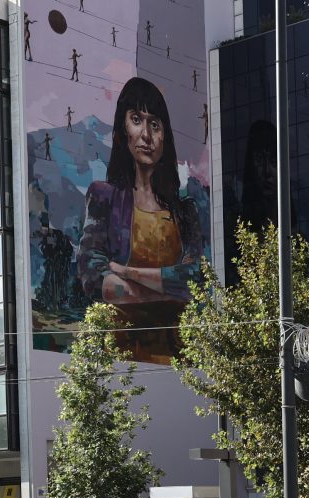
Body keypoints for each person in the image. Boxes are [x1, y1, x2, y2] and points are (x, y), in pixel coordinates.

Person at [77, 76, 204, 354]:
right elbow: (91, 272)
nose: (146, 135)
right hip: (122, 357)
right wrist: (167, 296)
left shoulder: (185, 211)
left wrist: (125, 271)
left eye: (155, 125)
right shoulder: (105, 198)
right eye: (136, 119)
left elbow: (195, 279)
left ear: (164, 136)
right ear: (123, 130)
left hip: (181, 358)